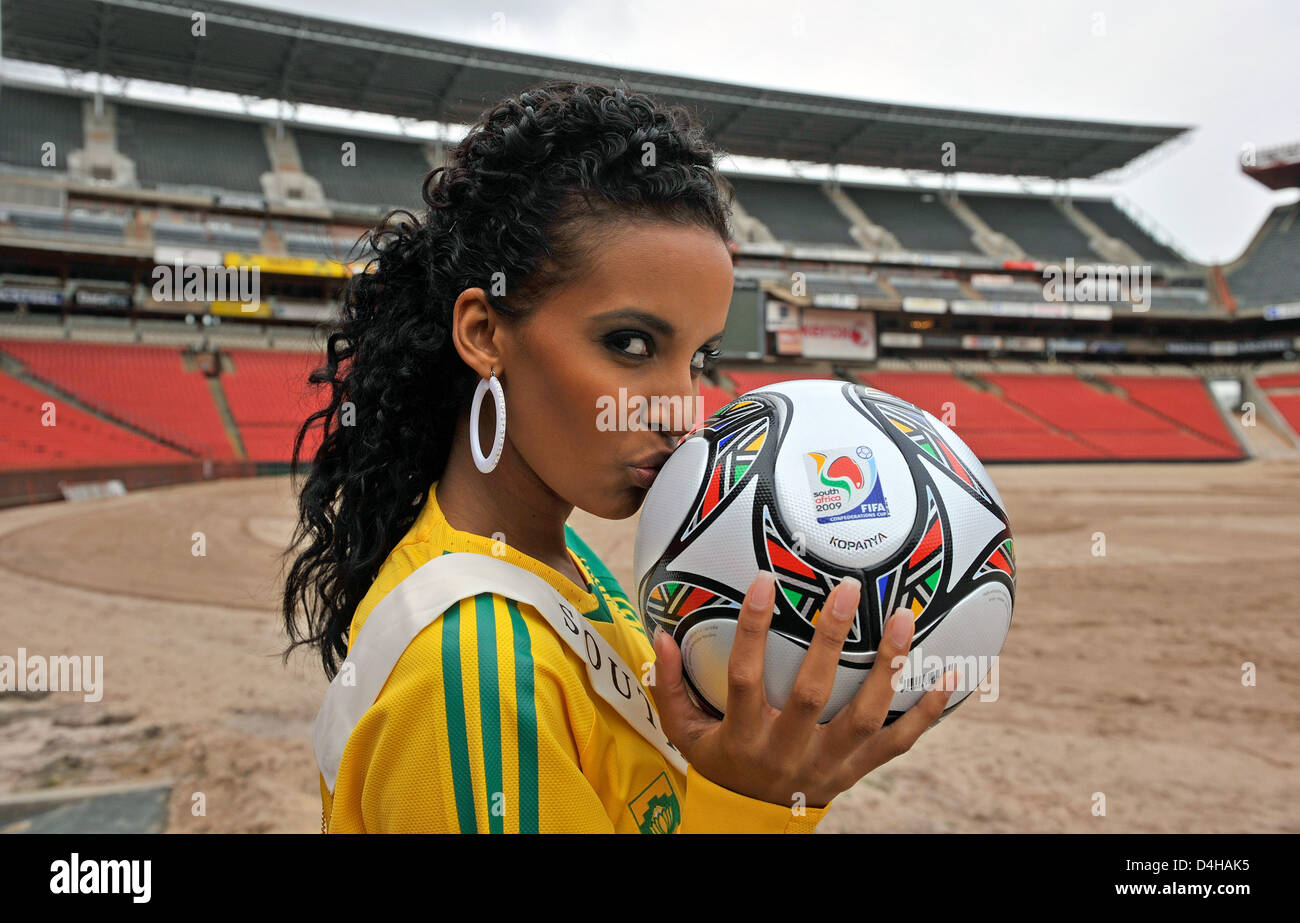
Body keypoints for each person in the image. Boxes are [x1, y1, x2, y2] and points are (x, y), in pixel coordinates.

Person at [281, 82, 955, 834]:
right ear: (484, 333)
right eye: (630, 344)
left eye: (699, 358)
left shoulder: (559, 563)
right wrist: (755, 806)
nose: (680, 409)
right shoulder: (472, 671)